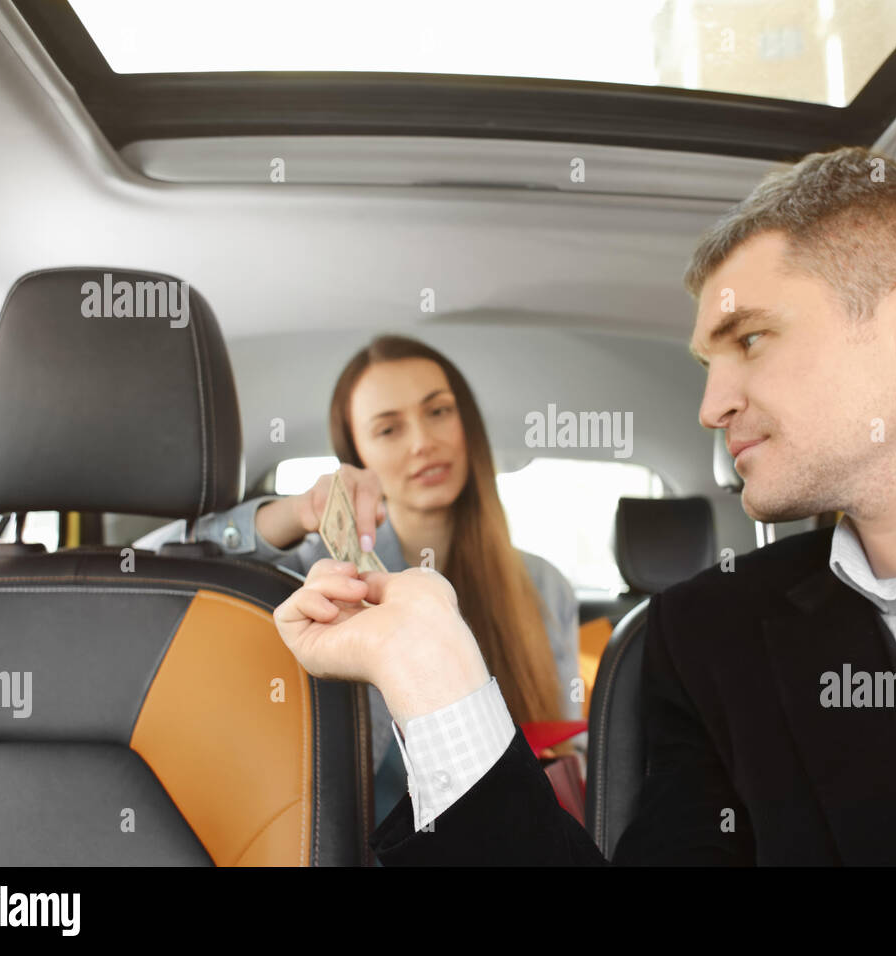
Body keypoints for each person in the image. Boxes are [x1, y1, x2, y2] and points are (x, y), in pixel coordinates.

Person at [271, 147, 896, 863]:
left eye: (752, 340)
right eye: (706, 363)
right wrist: (434, 675)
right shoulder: (709, 641)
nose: (710, 403)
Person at [138, 334, 581, 823]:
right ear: (357, 454)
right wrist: (295, 511)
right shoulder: (321, 575)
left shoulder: (544, 585)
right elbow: (155, 563)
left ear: (467, 425)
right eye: (389, 429)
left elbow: (563, 747)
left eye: (438, 412)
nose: (422, 442)